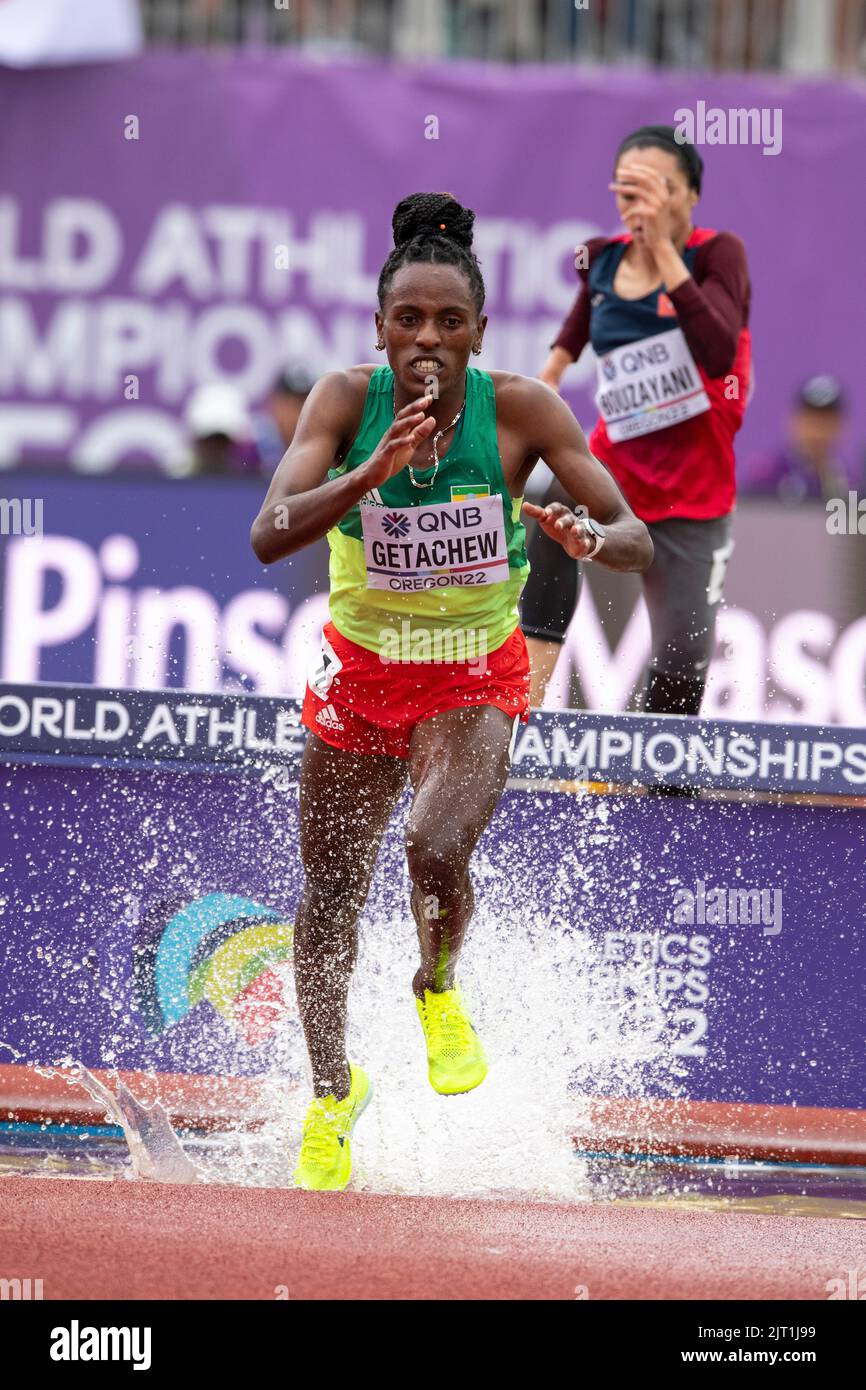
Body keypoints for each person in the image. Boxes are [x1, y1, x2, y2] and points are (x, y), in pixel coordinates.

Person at [251, 191, 652, 1191]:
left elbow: (635, 534)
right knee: (330, 898)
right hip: (363, 671)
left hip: (474, 669)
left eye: (448, 323)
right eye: (407, 321)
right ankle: (332, 1094)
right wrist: (365, 473)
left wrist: (588, 537)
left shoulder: (520, 410)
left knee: (433, 845)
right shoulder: (345, 403)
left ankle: (434, 985)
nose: (425, 341)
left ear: (478, 330)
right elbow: (269, 532)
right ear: (381, 326)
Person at [524, 124, 752, 717]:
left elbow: (719, 348)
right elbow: (576, 332)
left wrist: (664, 253)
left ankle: (664, 795)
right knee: (549, 502)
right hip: (615, 469)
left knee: (682, 661)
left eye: (655, 189)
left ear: (689, 194)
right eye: (628, 192)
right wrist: (541, 389)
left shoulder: (718, 253)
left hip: (694, 494)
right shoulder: (600, 259)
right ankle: (522, 712)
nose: (639, 206)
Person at [741, 375, 853, 503]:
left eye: (825, 421)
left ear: (841, 426)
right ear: (793, 421)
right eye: (810, 420)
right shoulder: (768, 478)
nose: (817, 431)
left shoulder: (849, 483)